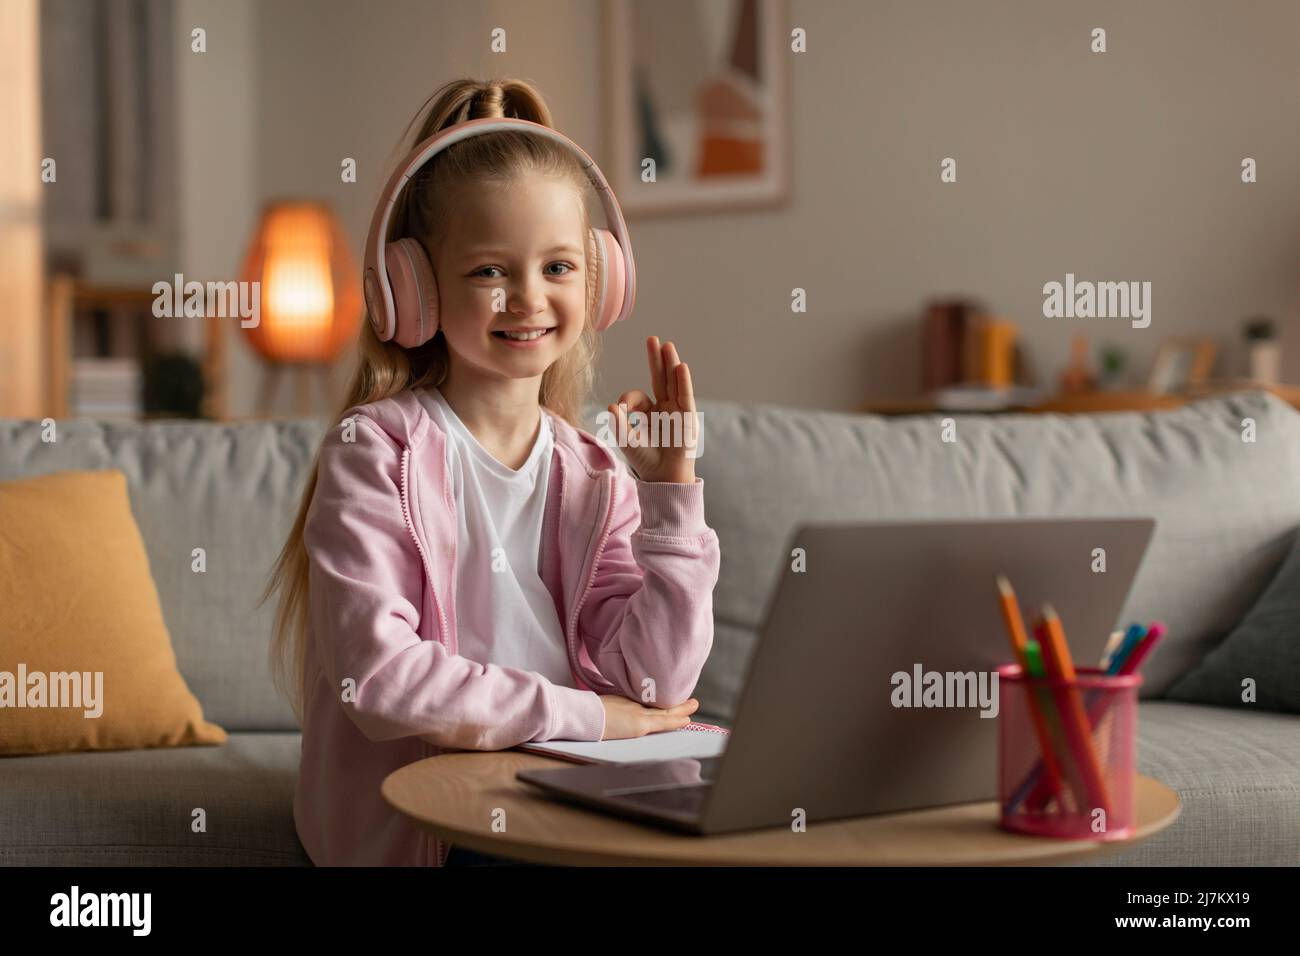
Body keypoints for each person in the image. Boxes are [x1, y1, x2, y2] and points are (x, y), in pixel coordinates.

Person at [261, 77, 720, 867]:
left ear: (600, 281)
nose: (528, 298)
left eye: (558, 267)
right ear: (413, 286)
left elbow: (651, 685)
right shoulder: (375, 453)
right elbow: (381, 681)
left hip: (566, 789)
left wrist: (670, 496)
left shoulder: (595, 470)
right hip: (438, 824)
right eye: (488, 272)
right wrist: (588, 718)